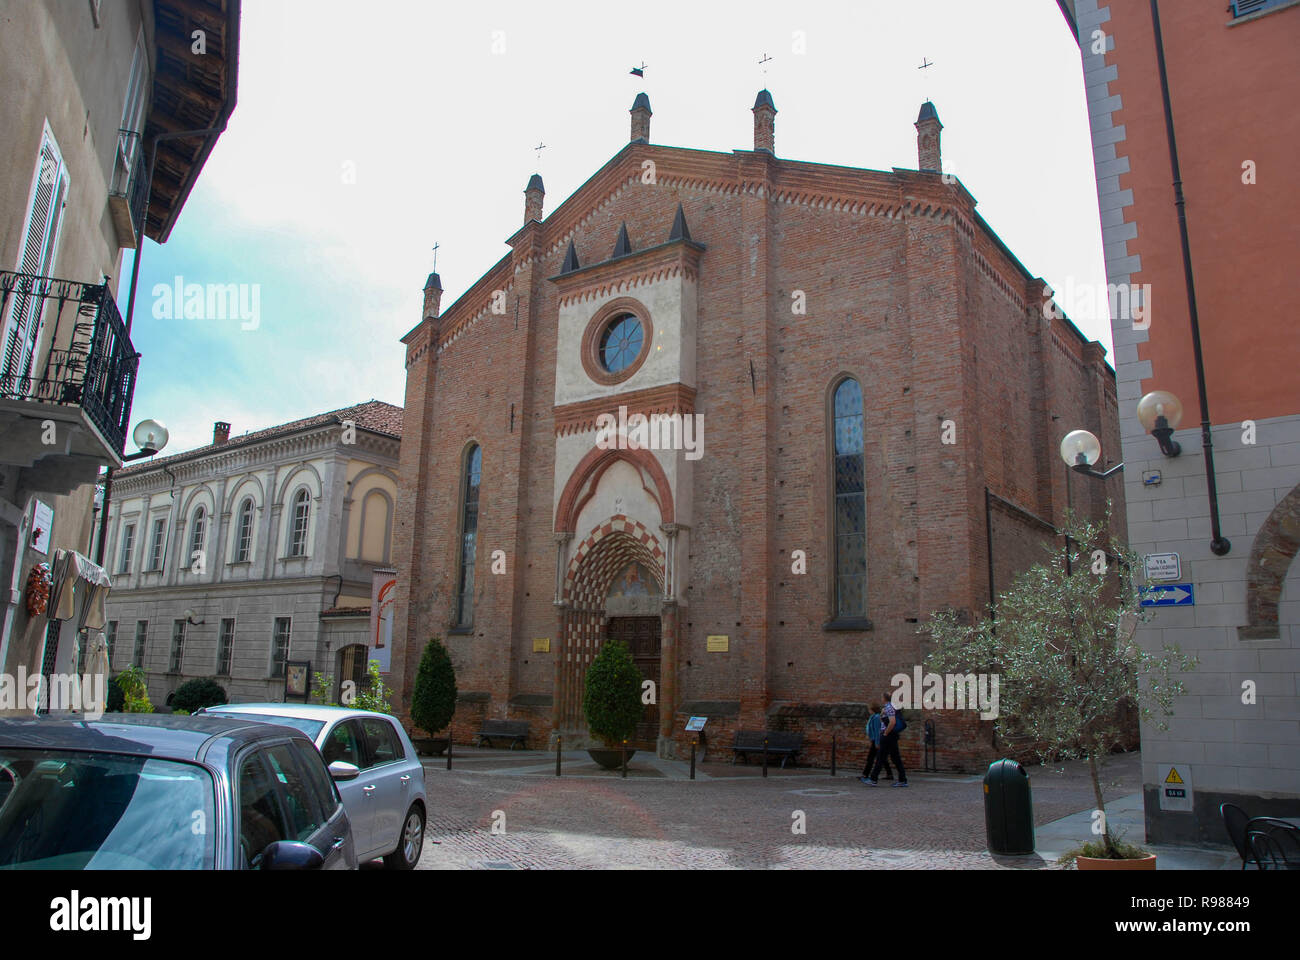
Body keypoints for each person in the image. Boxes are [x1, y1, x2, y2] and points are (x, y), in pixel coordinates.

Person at [864, 689, 908, 787]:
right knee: (895, 758)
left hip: (888, 736)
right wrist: (882, 714)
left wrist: (885, 733)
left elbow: (892, 722)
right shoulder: (891, 707)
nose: (881, 699)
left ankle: (873, 779)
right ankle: (902, 780)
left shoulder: (889, 707)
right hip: (891, 736)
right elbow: (885, 720)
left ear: (884, 698)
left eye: (882, 697)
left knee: (881, 757)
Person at [859, 703, 891, 784]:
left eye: (869, 709)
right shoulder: (873, 717)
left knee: (871, 758)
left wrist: (877, 742)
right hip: (874, 739)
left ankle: (865, 774)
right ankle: (889, 773)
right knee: (881, 757)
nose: (868, 711)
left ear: (872, 709)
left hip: (876, 740)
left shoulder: (876, 717)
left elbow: (877, 731)